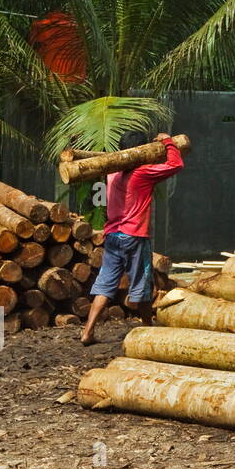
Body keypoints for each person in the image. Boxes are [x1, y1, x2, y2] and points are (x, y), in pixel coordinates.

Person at [80, 131, 184, 345]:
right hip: (134, 236)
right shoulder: (143, 173)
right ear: (140, 150)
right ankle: (147, 327)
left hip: (112, 235)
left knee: (106, 283)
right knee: (142, 282)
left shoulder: (112, 173)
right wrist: (167, 142)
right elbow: (176, 165)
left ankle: (87, 332)